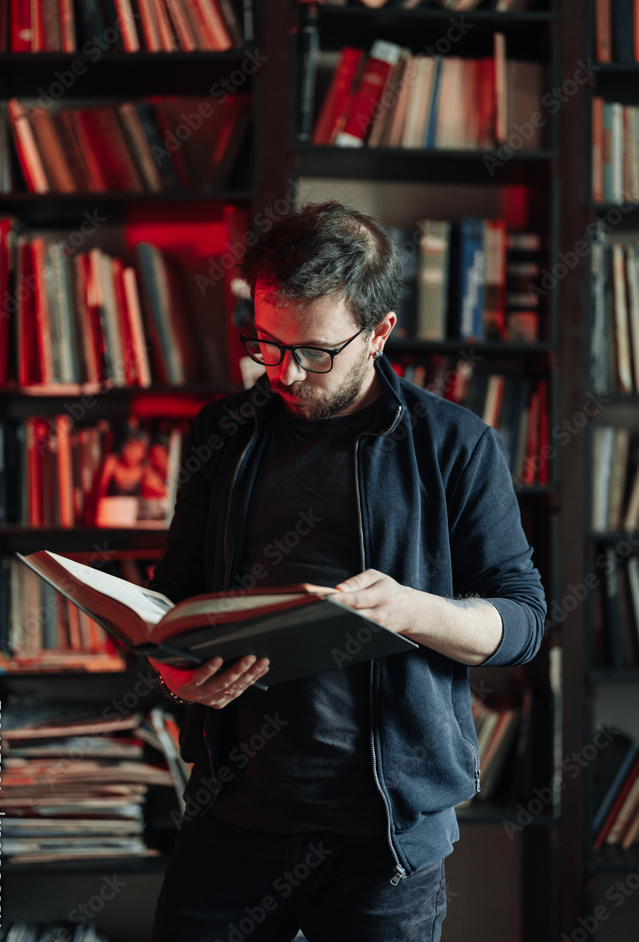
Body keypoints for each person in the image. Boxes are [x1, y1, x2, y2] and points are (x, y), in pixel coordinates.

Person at [147, 200, 547, 942]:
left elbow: (522, 621)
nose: (285, 372)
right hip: (231, 813)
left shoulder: (455, 444)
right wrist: (170, 669)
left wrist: (410, 610)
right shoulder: (222, 433)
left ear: (379, 333)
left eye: (315, 351)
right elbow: (173, 595)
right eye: (266, 343)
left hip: (385, 839)